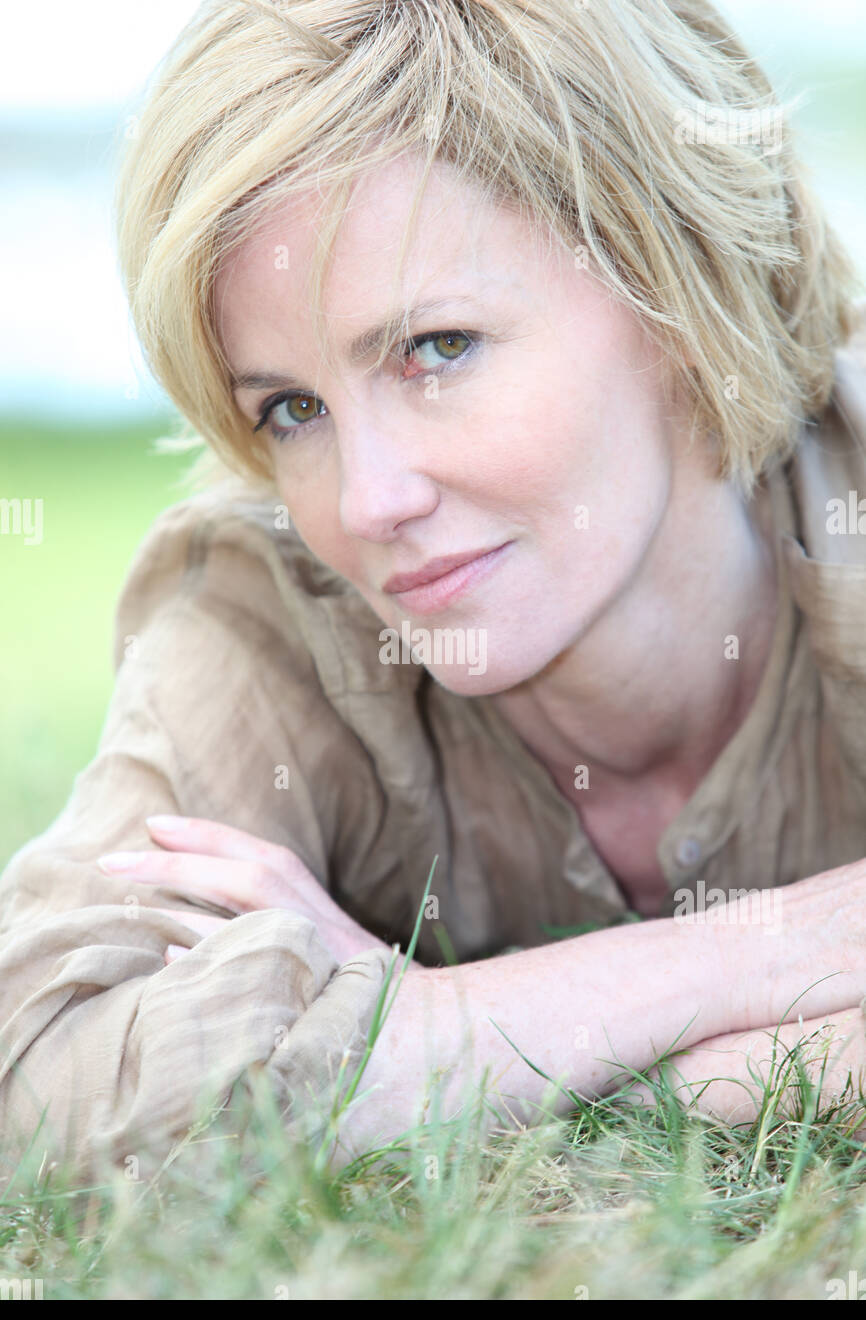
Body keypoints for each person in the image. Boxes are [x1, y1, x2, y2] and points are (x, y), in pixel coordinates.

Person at [2, 0, 866, 1179]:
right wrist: (778, 954)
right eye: (291, 410)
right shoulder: (273, 616)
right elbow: (31, 1077)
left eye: (436, 348)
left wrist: (429, 1052)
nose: (366, 502)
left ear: (673, 278)